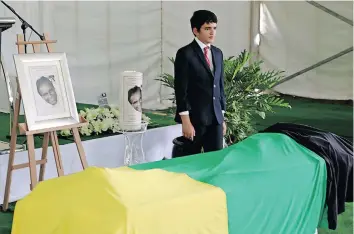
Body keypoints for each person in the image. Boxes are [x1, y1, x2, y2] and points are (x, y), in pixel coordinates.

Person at [174, 10, 226, 154]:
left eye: (214, 28)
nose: (212, 32)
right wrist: (186, 121)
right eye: (207, 28)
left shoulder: (218, 53)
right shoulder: (185, 54)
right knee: (191, 161)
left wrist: (221, 117)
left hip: (215, 119)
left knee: (215, 160)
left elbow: (220, 87)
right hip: (195, 120)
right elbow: (181, 90)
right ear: (195, 31)